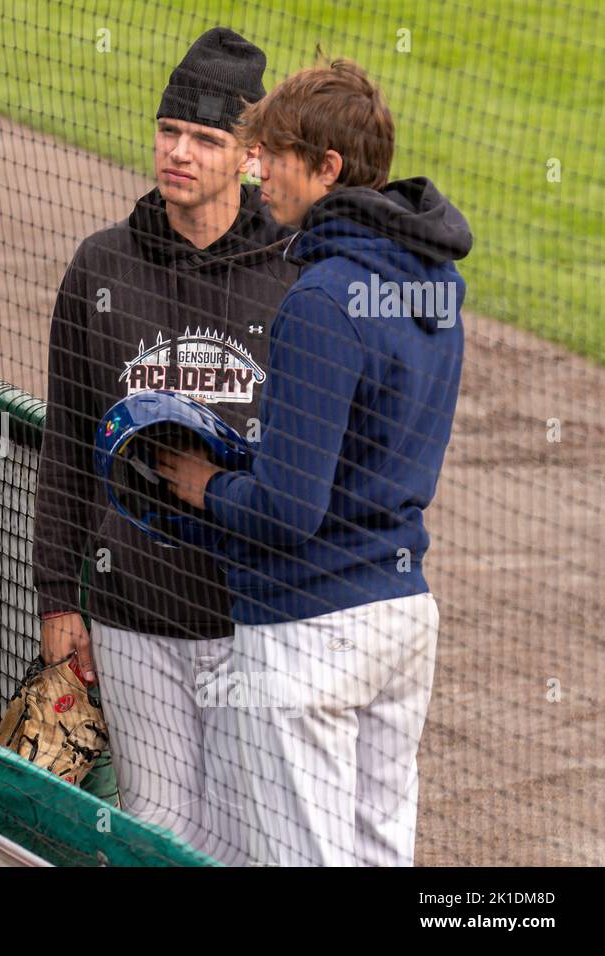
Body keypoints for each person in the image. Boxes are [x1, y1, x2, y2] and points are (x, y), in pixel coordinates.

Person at [159, 60, 471, 865]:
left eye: (277, 155)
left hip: (313, 632)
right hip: (401, 615)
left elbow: (287, 511)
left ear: (327, 169)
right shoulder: (431, 284)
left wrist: (208, 485)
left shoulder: (324, 299)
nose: (258, 170)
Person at [32, 28, 297, 864]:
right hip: (131, 613)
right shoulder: (100, 265)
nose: (179, 153)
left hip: (249, 621)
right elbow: (68, 438)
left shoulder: (294, 275)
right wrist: (56, 594)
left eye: (207, 140)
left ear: (250, 157)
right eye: (168, 131)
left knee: (250, 837)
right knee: (156, 830)